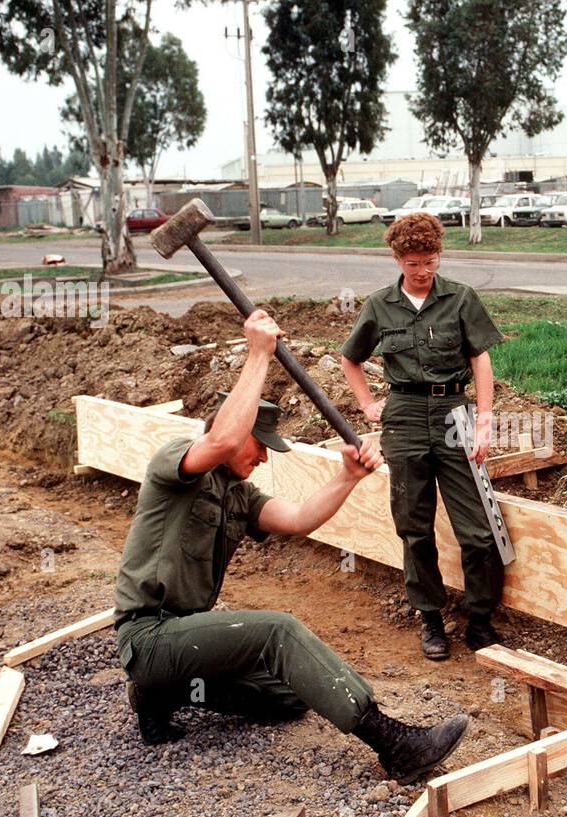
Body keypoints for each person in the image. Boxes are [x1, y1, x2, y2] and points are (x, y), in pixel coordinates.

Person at [114, 308, 469, 784]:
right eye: (258, 445)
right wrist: (257, 353)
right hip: (149, 637)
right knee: (277, 631)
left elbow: (300, 520)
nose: (263, 456)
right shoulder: (174, 464)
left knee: (289, 697)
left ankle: (162, 695)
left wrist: (348, 477)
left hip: (184, 642)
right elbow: (222, 440)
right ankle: (394, 743)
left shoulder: (238, 496)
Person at [339, 212, 506, 661]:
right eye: (413, 262)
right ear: (397, 259)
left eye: (429, 260)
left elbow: (480, 359)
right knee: (414, 527)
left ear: (439, 255)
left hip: (455, 411)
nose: (422, 270)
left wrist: (485, 420)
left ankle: (480, 618)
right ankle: (430, 618)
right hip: (405, 415)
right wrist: (367, 404)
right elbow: (350, 359)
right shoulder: (379, 305)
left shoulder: (460, 298)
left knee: (478, 528)